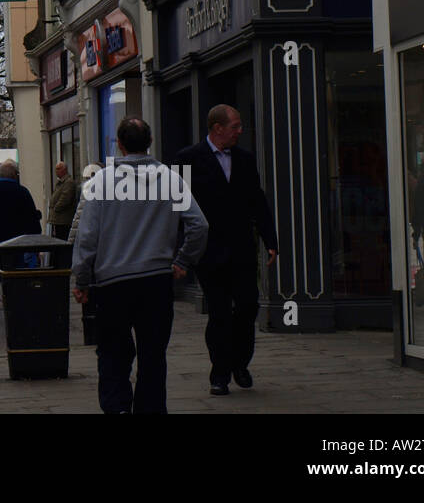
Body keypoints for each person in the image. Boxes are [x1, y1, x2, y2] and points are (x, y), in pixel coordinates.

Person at [72, 117, 208, 414]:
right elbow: (199, 226)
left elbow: (87, 238)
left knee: (112, 354)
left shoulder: (101, 182)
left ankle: (118, 408)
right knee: (153, 355)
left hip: (112, 284)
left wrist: (81, 280)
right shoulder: (172, 179)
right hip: (156, 282)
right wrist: (183, 260)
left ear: (119, 144)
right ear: (149, 143)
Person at [174, 105, 278, 396]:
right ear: (217, 128)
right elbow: (175, 206)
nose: (240, 131)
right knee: (219, 312)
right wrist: (180, 251)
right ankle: (219, 373)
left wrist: (270, 240)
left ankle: (240, 363)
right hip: (208, 251)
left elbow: (258, 200)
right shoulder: (186, 158)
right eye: (235, 126)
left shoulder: (245, 159)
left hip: (242, 248)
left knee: (247, 307)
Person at [0, 159, 42, 306]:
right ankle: (15, 302)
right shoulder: (22, 192)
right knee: (15, 273)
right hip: (16, 244)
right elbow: (31, 219)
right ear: (15, 175)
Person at [47, 161, 77, 238]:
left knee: (62, 238)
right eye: (56, 169)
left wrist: (56, 208)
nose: (56, 171)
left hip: (63, 220)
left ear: (64, 170)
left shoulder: (68, 182)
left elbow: (65, 199)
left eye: (58, 169)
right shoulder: (60, 182)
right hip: (58, 220)